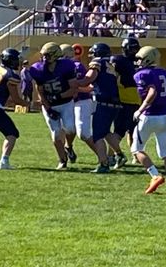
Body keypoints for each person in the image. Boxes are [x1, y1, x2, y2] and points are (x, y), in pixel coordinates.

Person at [131, 46, 166, 194]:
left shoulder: (142, 74)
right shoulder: (165, 72)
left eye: (140, 58)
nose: (138, 61)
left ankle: (155, 175)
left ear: (147, 58)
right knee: (165, 153)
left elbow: (152, 91)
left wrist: (140, 109)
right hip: (164, 116)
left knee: (136, 149)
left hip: (149, 116)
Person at [26, 42, 80, 169]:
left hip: (66, 103)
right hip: (50, 104)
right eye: (43, 55)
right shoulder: (37, 69)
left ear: (56, 55)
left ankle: (69, 146)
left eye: (48, 55)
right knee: (56, 134)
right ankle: (62, 160)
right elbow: (39, 89)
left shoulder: (66, 66)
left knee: (71, 129)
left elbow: (73, 89)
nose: (45, 58)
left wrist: (58, 96)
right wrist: (47, 107)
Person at [83, 43, 124, 173]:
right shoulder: (112, 64)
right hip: (116, 102)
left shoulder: (97, 62)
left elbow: (88, 79)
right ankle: (120, 154)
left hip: (103, 103)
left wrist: (73, 83)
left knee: (98, 135)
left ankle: (103, 164)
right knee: (105, 131)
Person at [60, 44, 96, 166]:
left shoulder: (77, 66)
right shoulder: (54, 67)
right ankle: (68, 147)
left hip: (81, 100)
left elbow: (87, 87)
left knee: (83, 132)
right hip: (67, 102)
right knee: (68, 128)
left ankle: (105, 158)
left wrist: (75, 90)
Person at [110, 36, 143, 168]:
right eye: (132, 48)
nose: (135, 51)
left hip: (136, 101)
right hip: (123, 100)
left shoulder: (137, 61)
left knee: (134, 131)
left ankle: (135, 155)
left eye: (136, 48)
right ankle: (111, 156)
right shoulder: (119, 61)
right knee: (119, 131)